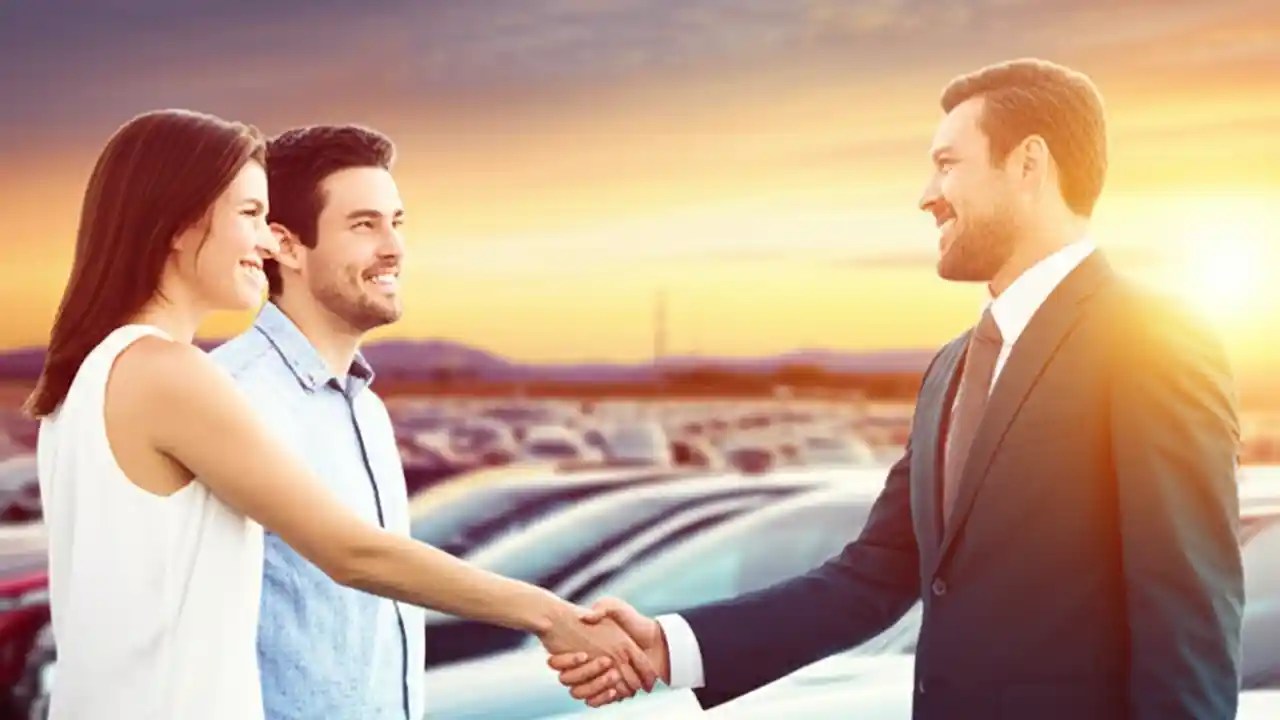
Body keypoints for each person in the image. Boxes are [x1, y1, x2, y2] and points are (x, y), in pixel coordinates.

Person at [551, 58, 1244, 720]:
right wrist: (667, 645)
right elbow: (875, 574)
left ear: (1029, 164)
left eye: (947, 164)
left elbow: (1187, 621)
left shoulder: (1152, 341)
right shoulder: (951, 369)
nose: (925, 196)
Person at [26, 109, 654, 720]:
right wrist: (552, 616)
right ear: (178, 224)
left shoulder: (90, 380)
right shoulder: (171, 373)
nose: (265, 238)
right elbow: (351, 551)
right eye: (250, 214)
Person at [207, 123, 424, 720]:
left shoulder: (367, 411)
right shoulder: (225, 397)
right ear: (287, 246)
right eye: (363, 225)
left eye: (396, 222)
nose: (393, 248)